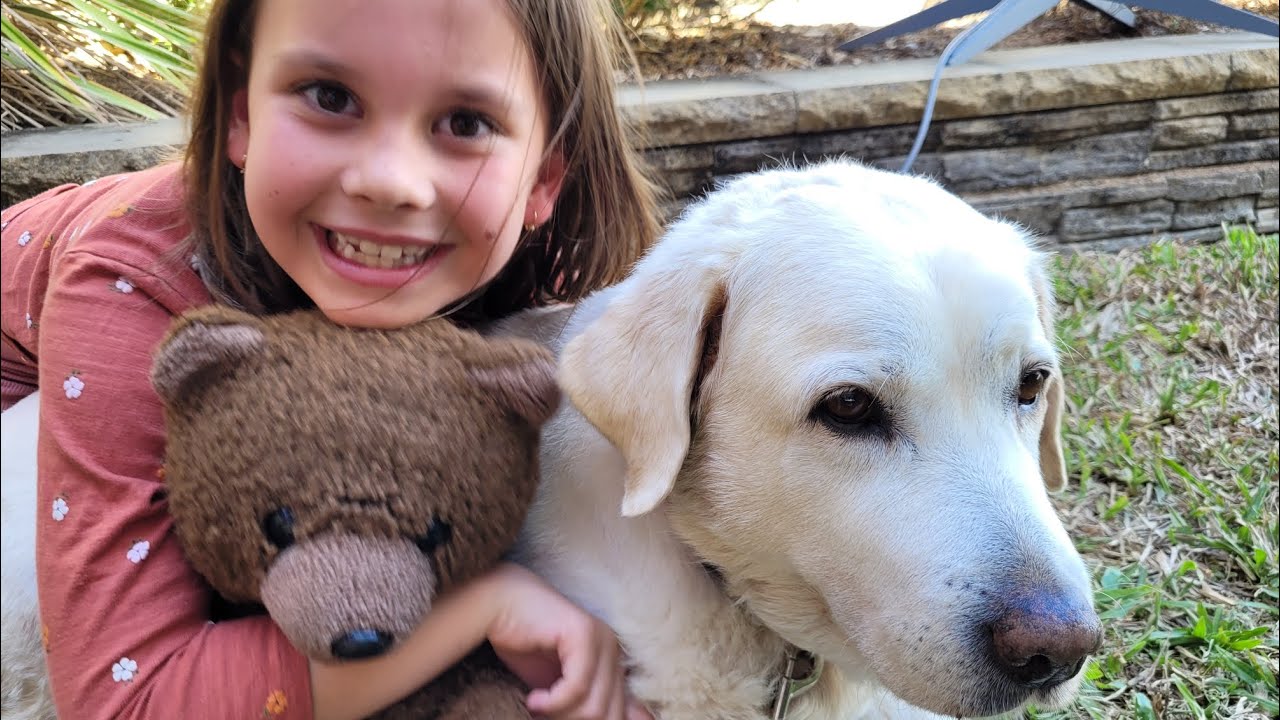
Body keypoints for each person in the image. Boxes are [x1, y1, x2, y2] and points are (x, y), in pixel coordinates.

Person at [0, 0, 661, 718]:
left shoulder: (530, 274)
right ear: (240, 112)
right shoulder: (128, 285)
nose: (390, 181)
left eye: (466, 123)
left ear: (543, 180)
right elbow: (123, 701)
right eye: (331, 97)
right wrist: (483, 608)